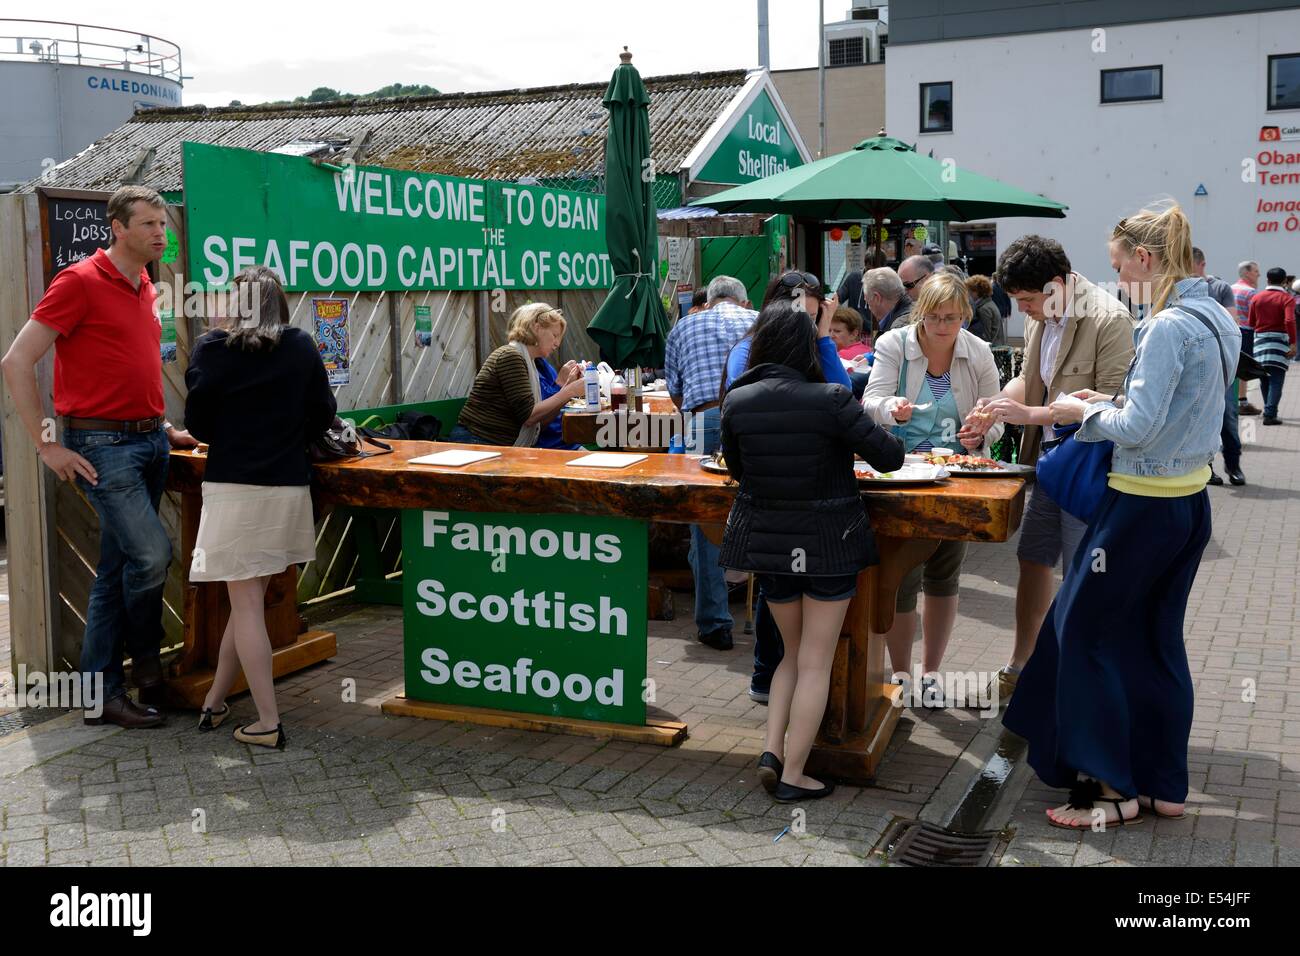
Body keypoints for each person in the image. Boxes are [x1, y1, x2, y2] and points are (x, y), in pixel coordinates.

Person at [1004, 202, 1239, 829]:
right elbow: (1181, 409)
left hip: (1140, 507)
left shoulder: (1165, 326)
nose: (1118, 281)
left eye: (1120, 266)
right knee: (1156, 642)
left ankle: (1110, 793)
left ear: (1146, 259)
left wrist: (1078, 413)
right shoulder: (1218, 316)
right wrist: (1100, 399)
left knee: (1085, 636)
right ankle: (1164, 784)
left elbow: (1136, 427)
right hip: (1189, 504)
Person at [1, 185, 198, 729]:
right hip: (100, 447)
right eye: (149, 224)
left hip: (150, 441)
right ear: (117, 227)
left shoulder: (146, 286)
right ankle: (135, 671)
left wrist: (164, 426)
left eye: (163, 224)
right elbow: (16, 361)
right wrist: (46, 444)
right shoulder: (79, 281)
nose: (161, 233)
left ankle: (108, 692)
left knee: (117, 569)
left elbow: (125, 366)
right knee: (152, 556)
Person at [719, 299, 904, 801]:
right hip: (829, 542)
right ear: (806, 347)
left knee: (790, 656)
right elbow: (889, 458)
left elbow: (736, 469)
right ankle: (794, 774)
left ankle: (772, 750)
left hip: (770, 546)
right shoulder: (831, 398)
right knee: (817, 661)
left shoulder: (739, 399)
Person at [962, 235, 1134, 705]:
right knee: (1033, 559)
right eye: (1017, 301)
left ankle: (1078, 683)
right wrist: (996, 403)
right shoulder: (1045, 316)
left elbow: (1115, 409)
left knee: (1083, 575)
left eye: (1027, 301)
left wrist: (1031, 416)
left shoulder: (1109, 319)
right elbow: (1030, 380)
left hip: (1090, 471)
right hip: (1050, 466)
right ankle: (1024, 662)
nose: (1024, 311)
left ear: (1057, 285)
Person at [184, 267, 336, 749]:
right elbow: (325, 414)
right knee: (245, 603)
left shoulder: (213, 349)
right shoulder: (301, 345)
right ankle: (213, 700)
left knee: (245, 602)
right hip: (288, 488)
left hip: (234, 488)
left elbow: (198, 423)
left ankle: (268, 723)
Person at [861, 271, 1003, 705]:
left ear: (965, 316)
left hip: (954, 475)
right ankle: (902, 674)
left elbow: (995, 416)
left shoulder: (977, 351)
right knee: (901, 576)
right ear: (919, 315)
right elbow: (869, 402)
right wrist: (893, 409)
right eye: (935, 318)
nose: (943, 327)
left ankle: (932, 674)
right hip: (901, 475)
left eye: (953, 318)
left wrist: (981, 433)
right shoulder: (894, 345)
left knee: (945, 574)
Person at [724, 273, 850, 700]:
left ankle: (787, 690)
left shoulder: (813, 346)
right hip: (775, 488)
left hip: (804, 486)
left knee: (783, 587)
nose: (808, 326)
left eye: (815, 317)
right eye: (804, 316)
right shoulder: (749, 349)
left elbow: (843, 392)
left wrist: (824, 337)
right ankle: (768, 677)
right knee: (776, 582)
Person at [664, 276, 758, 651]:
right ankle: (769, 613)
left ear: (710, 301)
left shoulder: (685, 324)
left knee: (704, 521)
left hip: (703, 420)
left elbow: (675, 389)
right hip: (757, 420)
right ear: (743, 301)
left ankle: (714, 622)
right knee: (763, 509)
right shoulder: (761, 321)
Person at [451, 304, 586, 446]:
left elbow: (539, 424)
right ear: (536, 328)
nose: (557, 343)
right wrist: (569, 391)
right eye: (555, 335)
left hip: (494, 444)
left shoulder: (530, 362)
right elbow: (529, 417)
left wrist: (567, 389)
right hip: (477, 443)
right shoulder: (510, 356)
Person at [1193, 247, 1246, 486]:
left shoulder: (1220, 288)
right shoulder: (1176, 290)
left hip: (1221, 367)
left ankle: (1233, 466)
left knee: (1228, 419)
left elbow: (1233, 321)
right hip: (1194, 367)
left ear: (1201, 264)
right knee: (1198, 422)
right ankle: (1207, 469)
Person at [1248, 266, 1298, 425]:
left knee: (1264, 378)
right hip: (1279, 342)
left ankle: (1269, 411)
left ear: (1267, 280)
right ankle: (1270, 414)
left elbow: (1251, 322)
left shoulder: (1257, 297)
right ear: (1284, 282)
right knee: (1277, 379)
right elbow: (1289, 321)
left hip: (1260, 341)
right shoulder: (1287, 298)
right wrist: (1293, 343)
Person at [1232, 261, 1263, 416]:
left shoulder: (1231, 289)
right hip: (1246, 332)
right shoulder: (1252, 293)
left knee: (1233, 366)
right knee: (1244, 368)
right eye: (1256, 271)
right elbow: (1257, 317)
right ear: (1247, 273)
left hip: (1231, 331)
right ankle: (1242, 402)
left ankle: (1233, 400)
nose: (1258, 274)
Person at [966, 274, 1004, 344]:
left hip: (993, 349)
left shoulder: (984, 309)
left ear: (976, 292)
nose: (969, 294)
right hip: (998, 345)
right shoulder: (989, 303)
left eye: (970, 291)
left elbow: (985, 335)